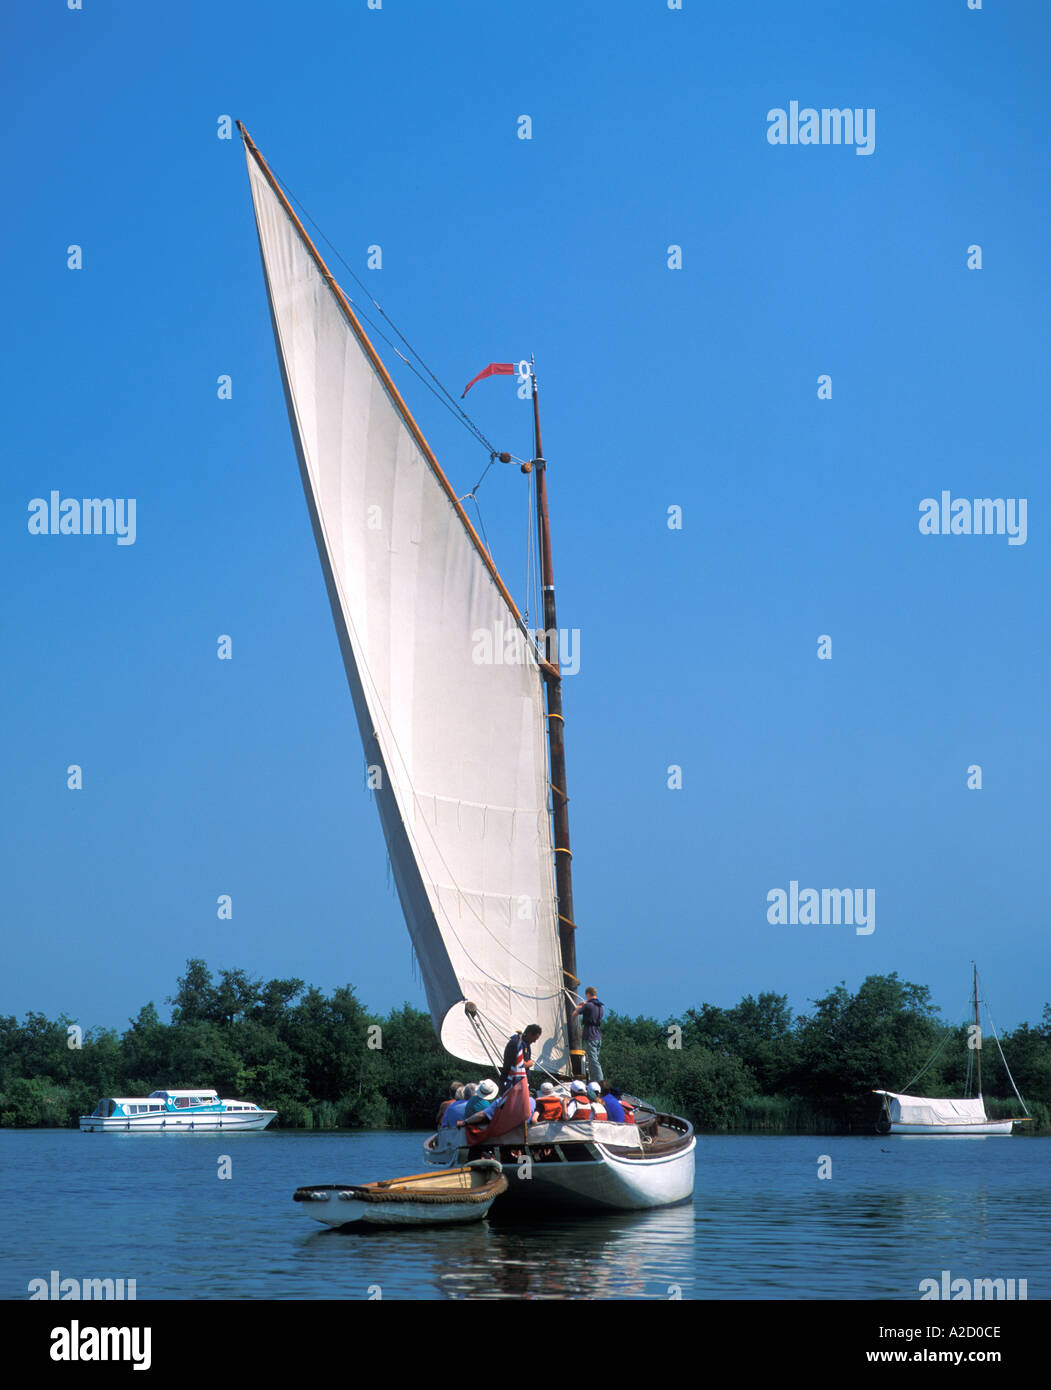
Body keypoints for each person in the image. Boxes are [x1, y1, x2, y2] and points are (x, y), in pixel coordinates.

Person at [571, 987, 604, 1081]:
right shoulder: (600, 1007)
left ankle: (600, 1081)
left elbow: (574, 1014)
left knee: (593, 1061)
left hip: (590, 1036)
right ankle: (593, 1081)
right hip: (598, 1036)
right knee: (593, 1060)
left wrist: (580, 1006)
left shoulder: (587, 1005)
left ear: (588, 994)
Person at [499, 1024, 542, 1091]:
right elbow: (517, 1064)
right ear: (529, 1034)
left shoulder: (526, 1044)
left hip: (520, 1083)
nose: (534, 1041)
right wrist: (529, 1064)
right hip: (512, 1083)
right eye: (534, 1039)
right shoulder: (516, 1043)